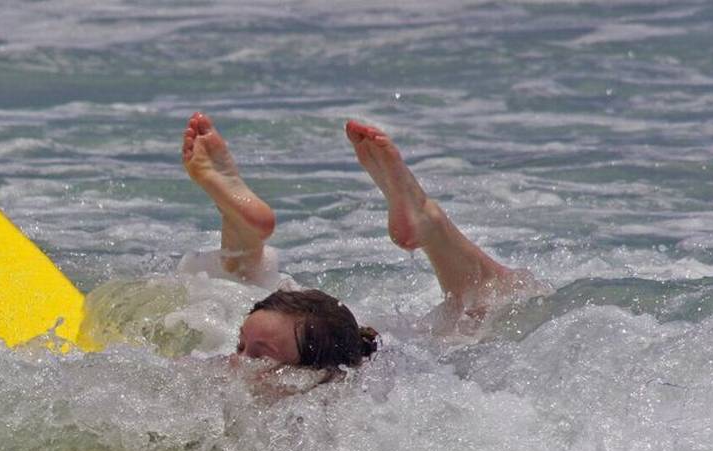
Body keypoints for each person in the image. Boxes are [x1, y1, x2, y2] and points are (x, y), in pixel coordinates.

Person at [180, 112, 531, 372]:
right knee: (490, 296)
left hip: (406, 362)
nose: (235, 363)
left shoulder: (348, 419)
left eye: (259, 355)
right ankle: (243, 237)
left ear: (314, 375)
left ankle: (429, 220)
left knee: (493, 304)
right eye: (240, 346)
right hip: (388, 339)